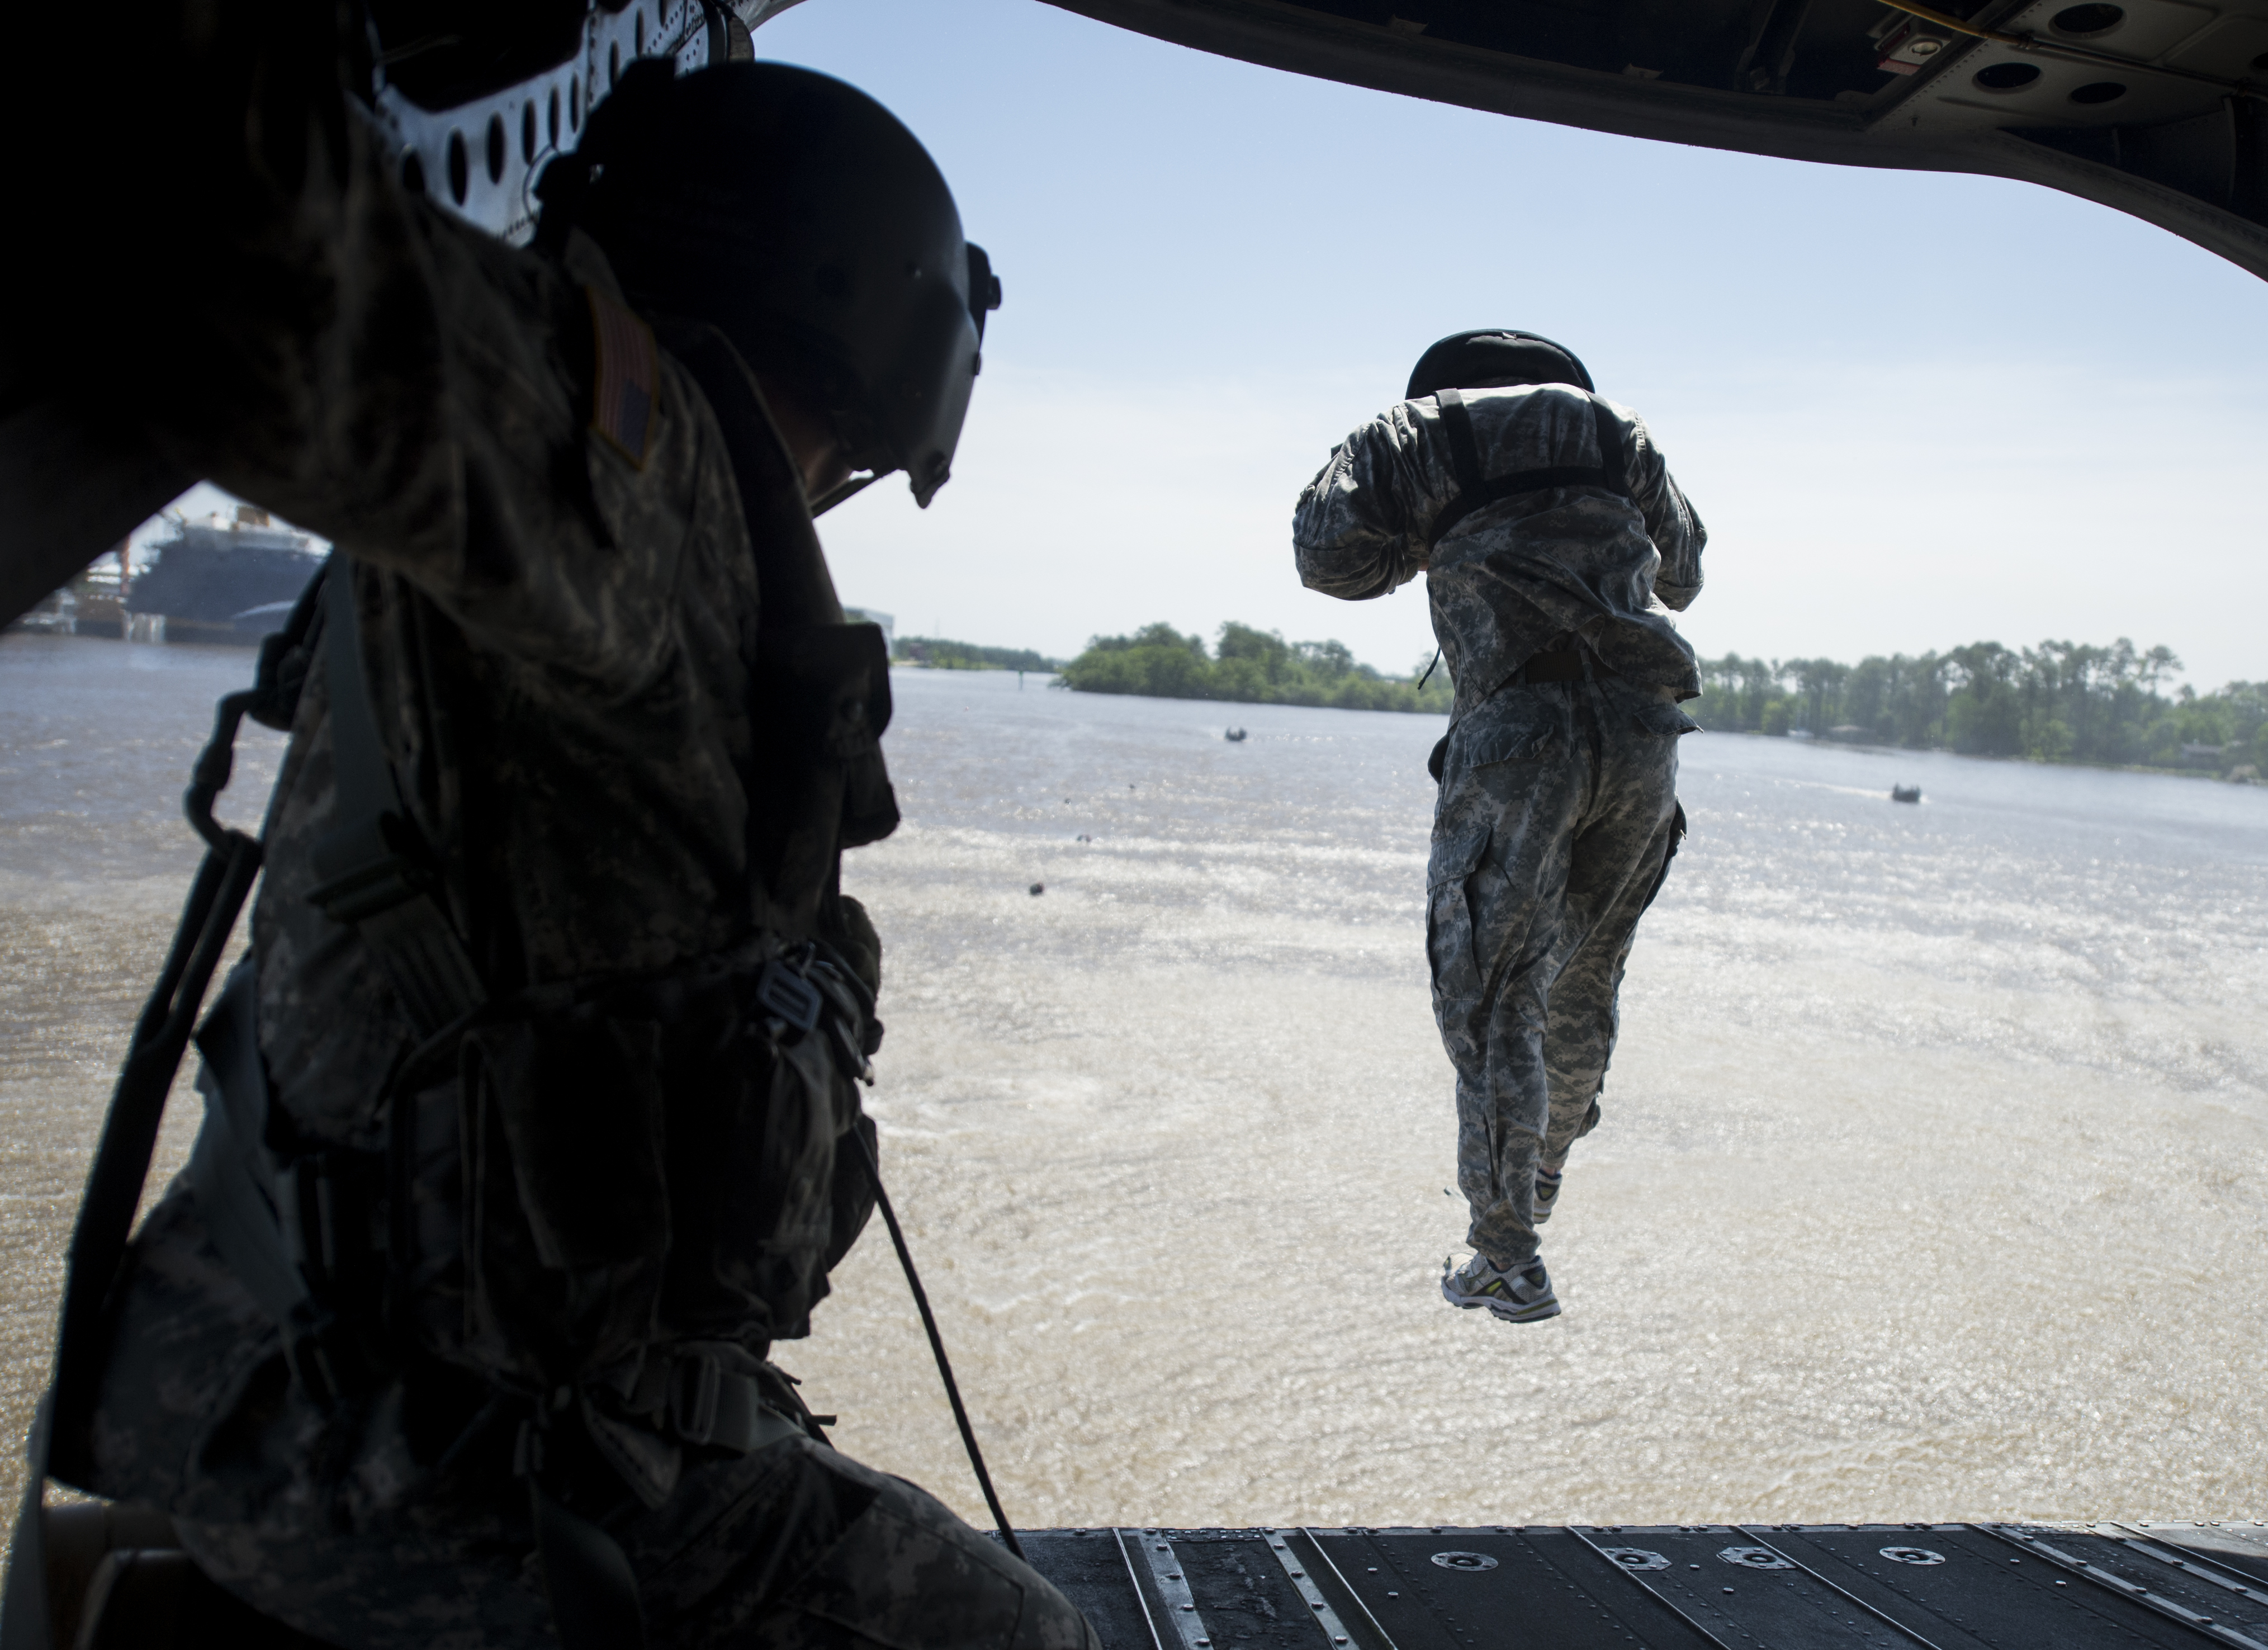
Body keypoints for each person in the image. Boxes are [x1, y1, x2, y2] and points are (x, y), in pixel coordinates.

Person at [32, 13, 1095, 1648]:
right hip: (441, 1470)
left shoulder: (605, 530)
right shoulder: (643, 464)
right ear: (901, 349)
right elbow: (241, 249)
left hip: (293, 1401)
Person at [1292, 330, 1707, 1323]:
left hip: (1517, 741)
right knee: (1579, 982)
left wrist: (1431, 535)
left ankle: (1505, 1255)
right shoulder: (1621, 436)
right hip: (1645, 738)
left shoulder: (1413, 430)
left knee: (1488, 996)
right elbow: (1682, 574)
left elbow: (1327, 559)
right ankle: (1537, 1194)